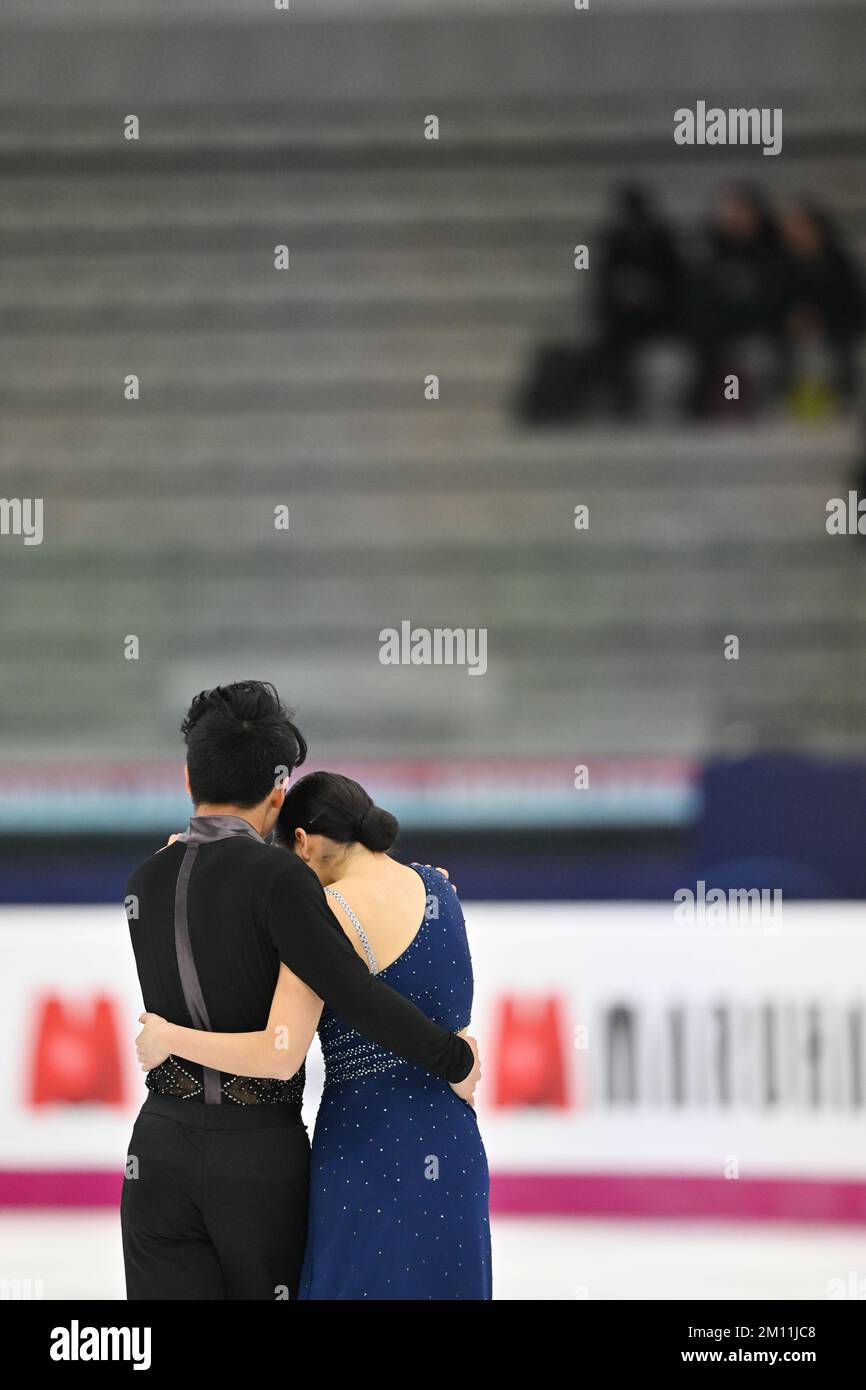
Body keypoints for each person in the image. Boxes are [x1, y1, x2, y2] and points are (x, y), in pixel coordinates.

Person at [121, 681, 480, 1300]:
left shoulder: (147, 879)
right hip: (258, 1158)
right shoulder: (286, 880)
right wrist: (455, 1057)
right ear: (278, 788)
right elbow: (354, 992)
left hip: (157, 1152)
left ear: (187, 779)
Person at [780, 201, 864, 412]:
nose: (797, 233)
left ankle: (843, 398)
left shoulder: (838, 261)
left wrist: (821, 319)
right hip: (789, 328)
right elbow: (777, 301)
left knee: (840, 347)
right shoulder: (780, 262)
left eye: (803, 227)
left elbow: (850, 303)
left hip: (836, 327)